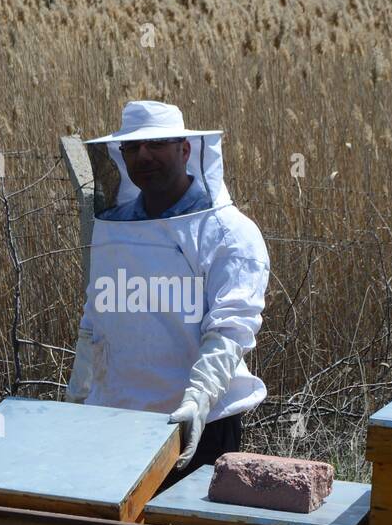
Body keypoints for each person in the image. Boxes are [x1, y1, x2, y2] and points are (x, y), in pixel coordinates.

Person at [64, 100, 270, 485]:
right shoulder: (115, 227)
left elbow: (230, 329)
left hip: (198, 428)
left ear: (185, 149)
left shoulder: (228, 233)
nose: (143, 156)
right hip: (113, 420)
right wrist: (78, 394)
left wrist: (198, 401)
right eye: (132, 148)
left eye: (156, 144)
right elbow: (95, 320)